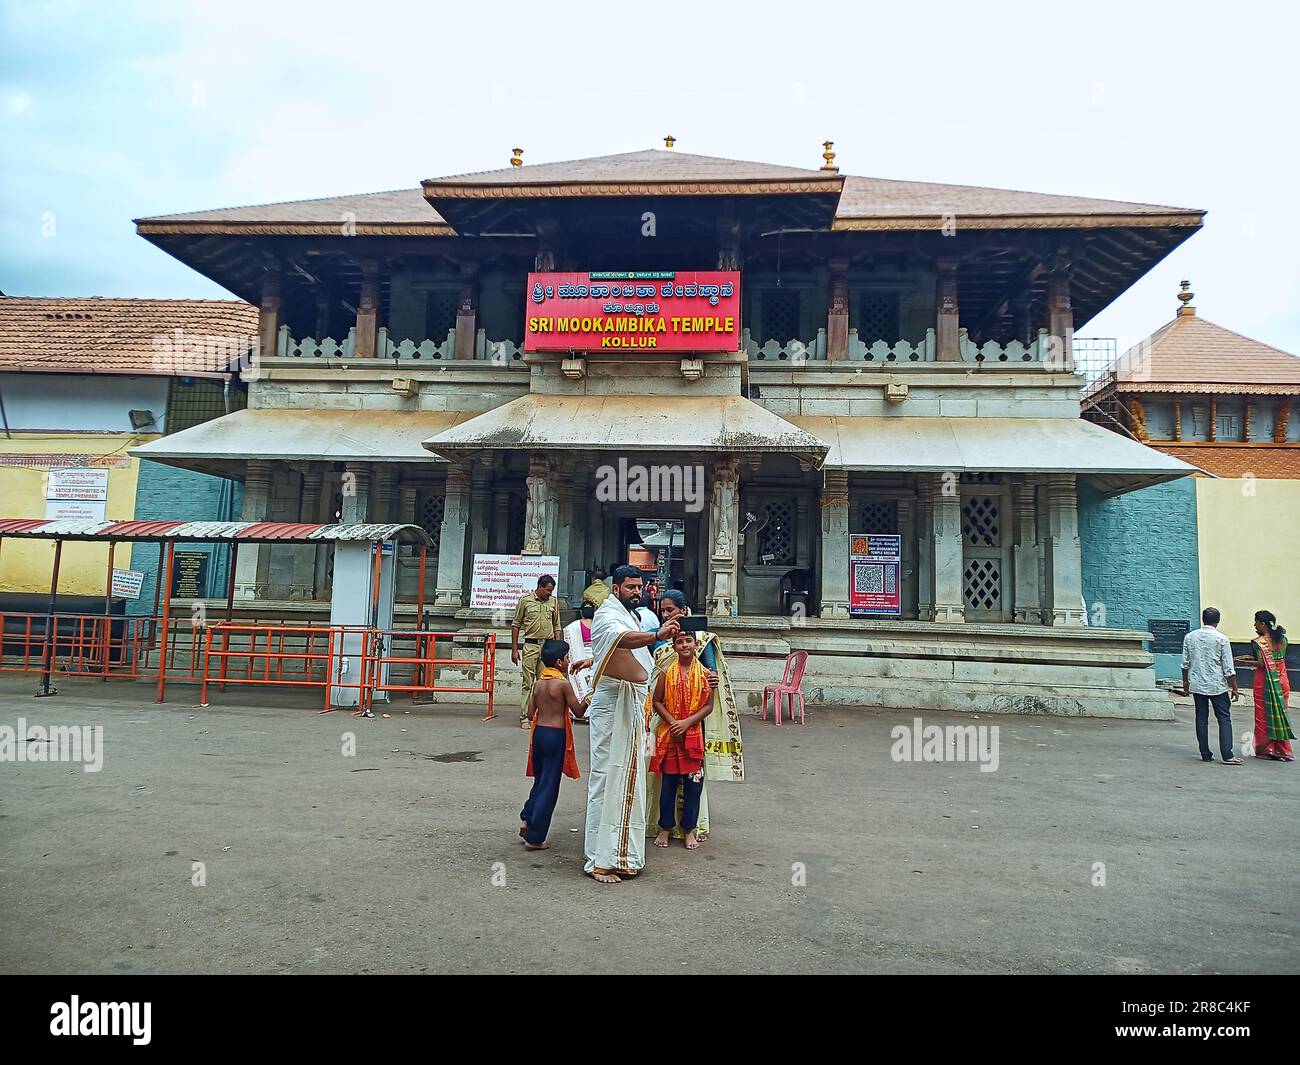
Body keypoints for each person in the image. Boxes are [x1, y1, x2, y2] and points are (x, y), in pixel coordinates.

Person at [583, 565, 678, 884]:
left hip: (632, 703)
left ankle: (624, 855)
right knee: (607, 776)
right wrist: (657, 635)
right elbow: (619, 640)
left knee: (630, 778)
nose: (637, 592)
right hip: (613, 704)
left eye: (640, 587)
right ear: (616, 588)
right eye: (631, 587)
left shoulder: (630, 613)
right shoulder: (608, 613)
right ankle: (600, 860)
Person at [644, 590, 744, 842]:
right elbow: (653, 677)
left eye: (670, 610)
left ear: (683, 609)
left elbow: (711, 678)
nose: (665, 614)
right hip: (665, 721)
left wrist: (712, 677)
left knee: (693, 781)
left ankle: (690, 827)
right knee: (663, 782)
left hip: (693, 723)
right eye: (663, 610)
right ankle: (662, 826)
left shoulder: (703, 640)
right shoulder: (659, 638)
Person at [650, 630, 713, 850]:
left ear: (696, 644)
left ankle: (689, 829)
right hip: (670, 735)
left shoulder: (706, 674)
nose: (684, 645)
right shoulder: (667, 672)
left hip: (693, 736)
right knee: (668, 785)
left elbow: (708, 707)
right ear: (674, 646)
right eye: (680, 642)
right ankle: (665, 828)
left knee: (693, 786)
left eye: (688, 641)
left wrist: (686, 723)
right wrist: (673, 721)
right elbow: (657, 701)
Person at [519, 639, 584, 850]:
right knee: (549, 785)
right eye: (567, 658)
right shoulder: (563, 684)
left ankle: (527, 817)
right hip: (556, 735)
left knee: (540, 780)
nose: (568, 661)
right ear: (558, 662)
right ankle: (535, 838)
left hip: (539, 733)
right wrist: (591, 695)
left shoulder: (539, 683)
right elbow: (579, 711)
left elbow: (530, 713)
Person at [1177, 607, 1242, 764]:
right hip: (1216, 684)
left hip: (1197, 683)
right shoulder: (1222, 639)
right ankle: (1227, 754)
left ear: (1203, 619)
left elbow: (1185, 664)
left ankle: (1205, 753)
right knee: (1224, 718)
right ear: (1218, 621)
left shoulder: (1190, 637)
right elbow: (1228, 667)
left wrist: (1185, 682)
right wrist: (1234, 687)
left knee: (1201, 718)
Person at [1235, 610, 1294, 762]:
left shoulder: (1259, 642)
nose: (1254, 624)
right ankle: (1282, 751)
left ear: (1262, 623)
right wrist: (1248, 658)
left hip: (1265, 682)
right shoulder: (1283, 639)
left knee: (1263, 717)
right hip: (1282, 680)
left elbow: (1262, 663)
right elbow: (1274, 659)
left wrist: (1243, 662)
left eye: (1256, 622)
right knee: (1280, 714)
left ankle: (1265, 750)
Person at [511, 575, 562, 730]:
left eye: (551, 591)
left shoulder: (553, 602)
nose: (549, 594)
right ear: (539, 587)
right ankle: (525, 716)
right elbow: (516, 624)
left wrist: (558, 648)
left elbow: (557, 626)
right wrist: (514, 649)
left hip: (547, 647)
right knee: (528, 682)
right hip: (530, 646)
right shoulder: (525, 601)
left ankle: (543, 715)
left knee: (546, 682)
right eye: (547, 590)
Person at [562, 602, 596, 717]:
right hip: (595, 656)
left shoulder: (573, 626)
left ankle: (579, 709)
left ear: (581, 612)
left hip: (579, 655)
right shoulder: (598, 624)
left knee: (579, 682)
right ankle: (592, 710)